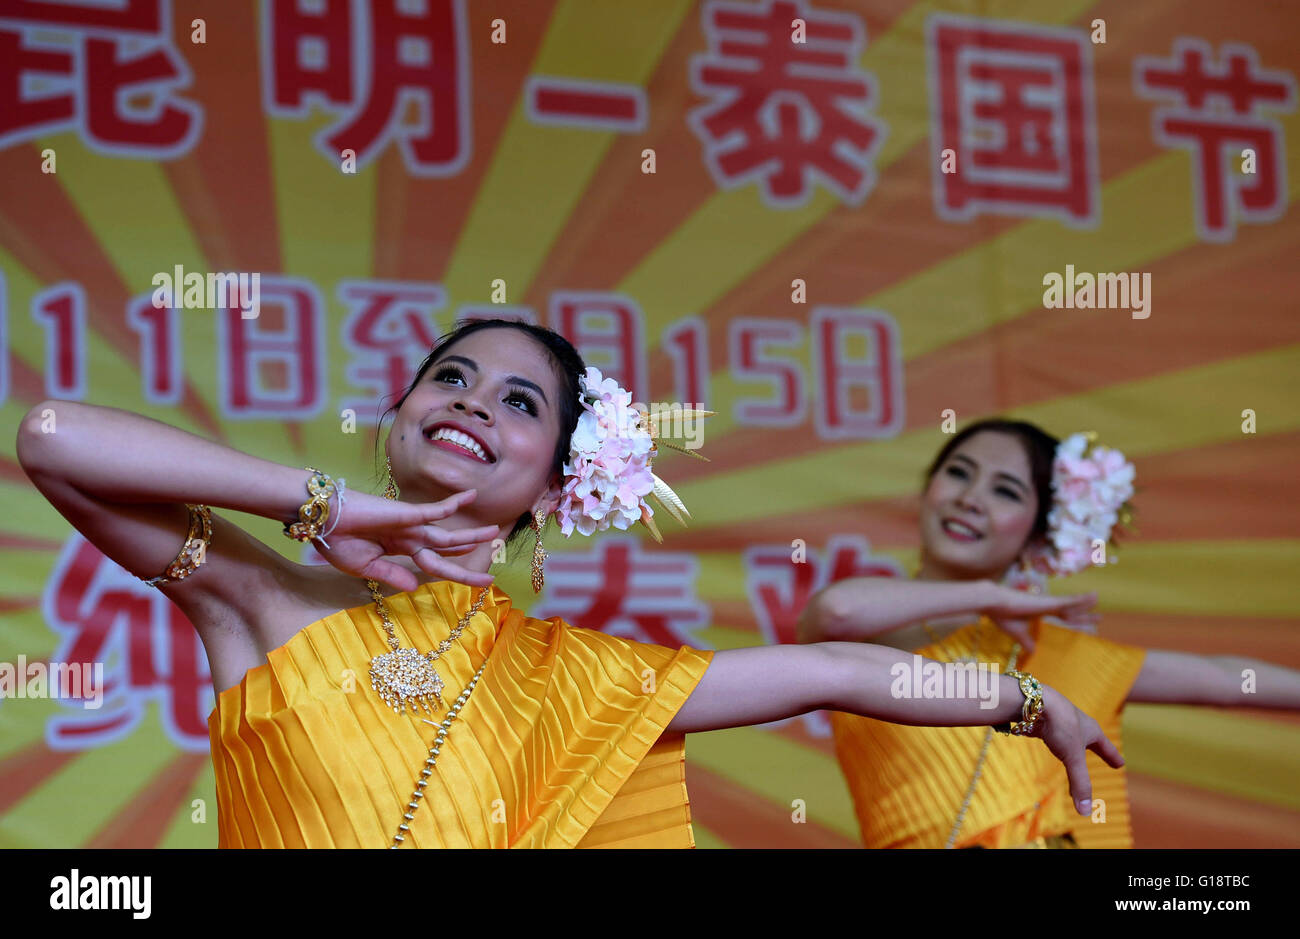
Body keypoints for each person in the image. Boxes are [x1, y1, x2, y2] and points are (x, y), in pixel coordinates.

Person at [18, 322, 1122, 849]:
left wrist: (1032, 704)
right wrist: (323, 508)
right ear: (398, 418)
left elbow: (841, 668)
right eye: (450, 379)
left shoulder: (583, 681)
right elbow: (55, 434)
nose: (471, 402)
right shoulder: (268, 601)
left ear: (556, 487)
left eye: (519, 402)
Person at [797, 419, 1300, 848]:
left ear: (1040, 531)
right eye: (957, 473)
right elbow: (836, 612)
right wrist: (986, 596)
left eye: (1006, 490)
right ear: (927, 488)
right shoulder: (871, 628)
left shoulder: (1045, 645)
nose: (971, 499)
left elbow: (1223, 680)